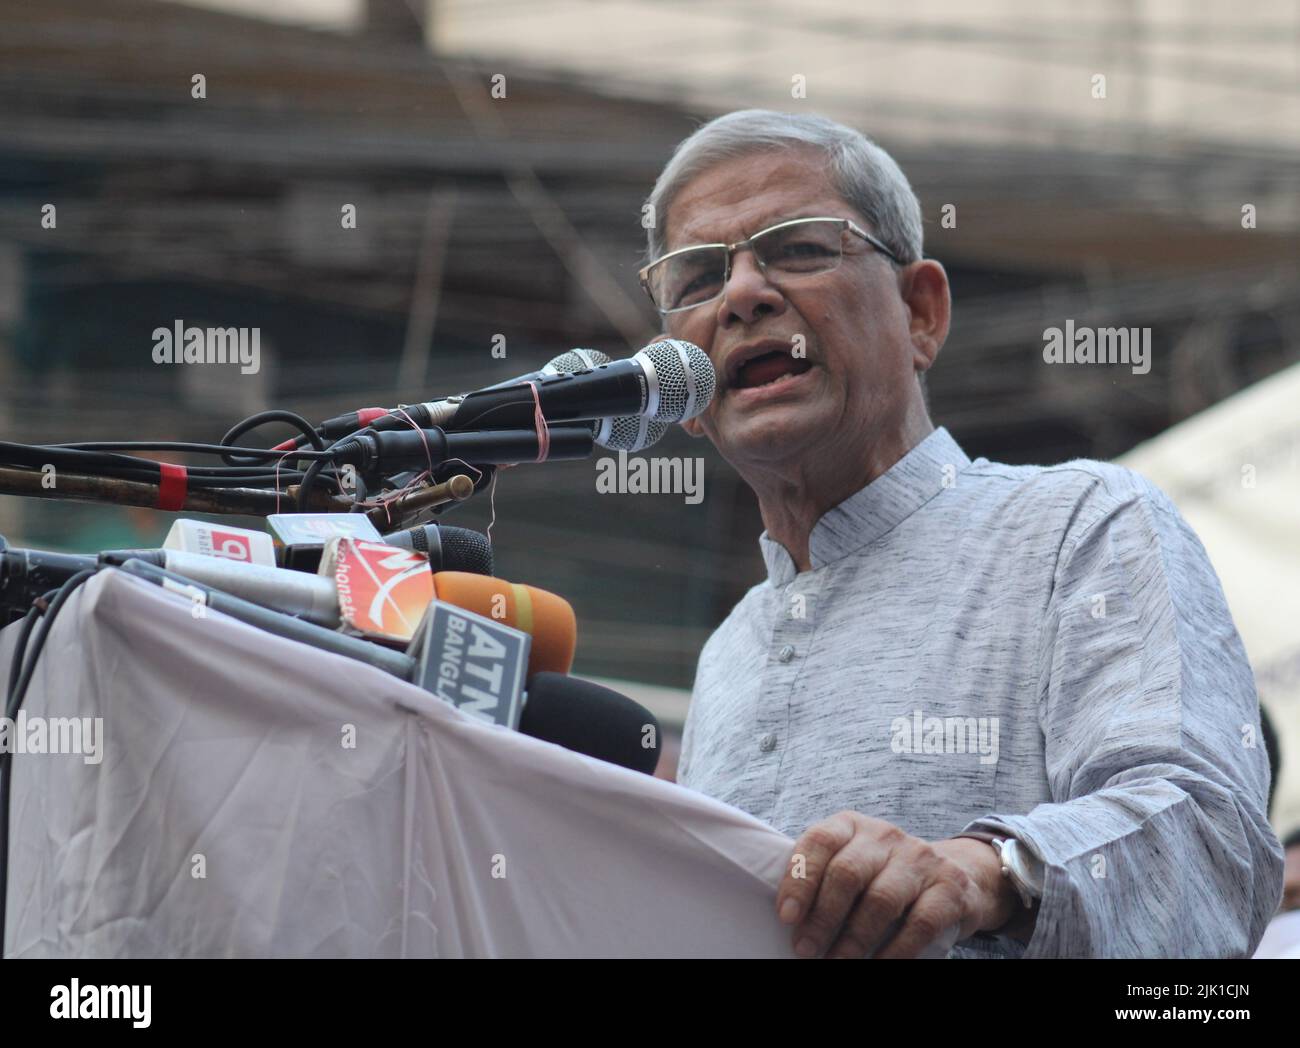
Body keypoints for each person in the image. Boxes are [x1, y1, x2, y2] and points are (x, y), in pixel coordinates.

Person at [643, 109, 1284, 958]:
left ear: (921, 314)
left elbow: (1209, 844)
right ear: (682, 394)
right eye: (696, 278)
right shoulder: (727, 653)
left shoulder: (1082, 524)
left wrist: (992, 872)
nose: (742, 295)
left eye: (799, 248)